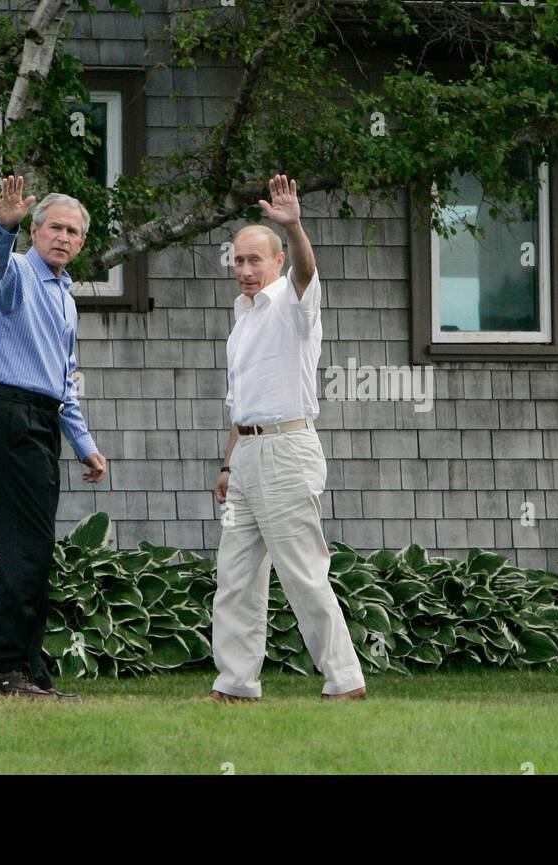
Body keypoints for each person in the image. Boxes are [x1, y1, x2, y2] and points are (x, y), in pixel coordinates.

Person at [208, 174, 367, 703]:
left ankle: (344, 681)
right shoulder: (241, 315)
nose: (246, 270)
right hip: (250, 452)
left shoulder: (294, 300)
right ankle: (235, 685)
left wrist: (294, 226)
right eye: (238, 261)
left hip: (287, 450)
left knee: (302, 572)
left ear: (276, 263)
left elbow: (307, 267)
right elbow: (241, 402)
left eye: (256, 260)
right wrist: (229, 465)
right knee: (235, 577)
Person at [0, 175, 108, 701]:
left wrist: (84, 444)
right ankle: (2, 670)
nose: (63, 237)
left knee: (32, 548)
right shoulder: (18, 275)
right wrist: (2, 228)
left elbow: (64, 381)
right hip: (6, 413)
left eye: (73, 231)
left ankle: (24, 671)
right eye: (54, 227)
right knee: (26, 546)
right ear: (35, 229)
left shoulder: (66, 299)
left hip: (42, 420)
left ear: (81, 242)